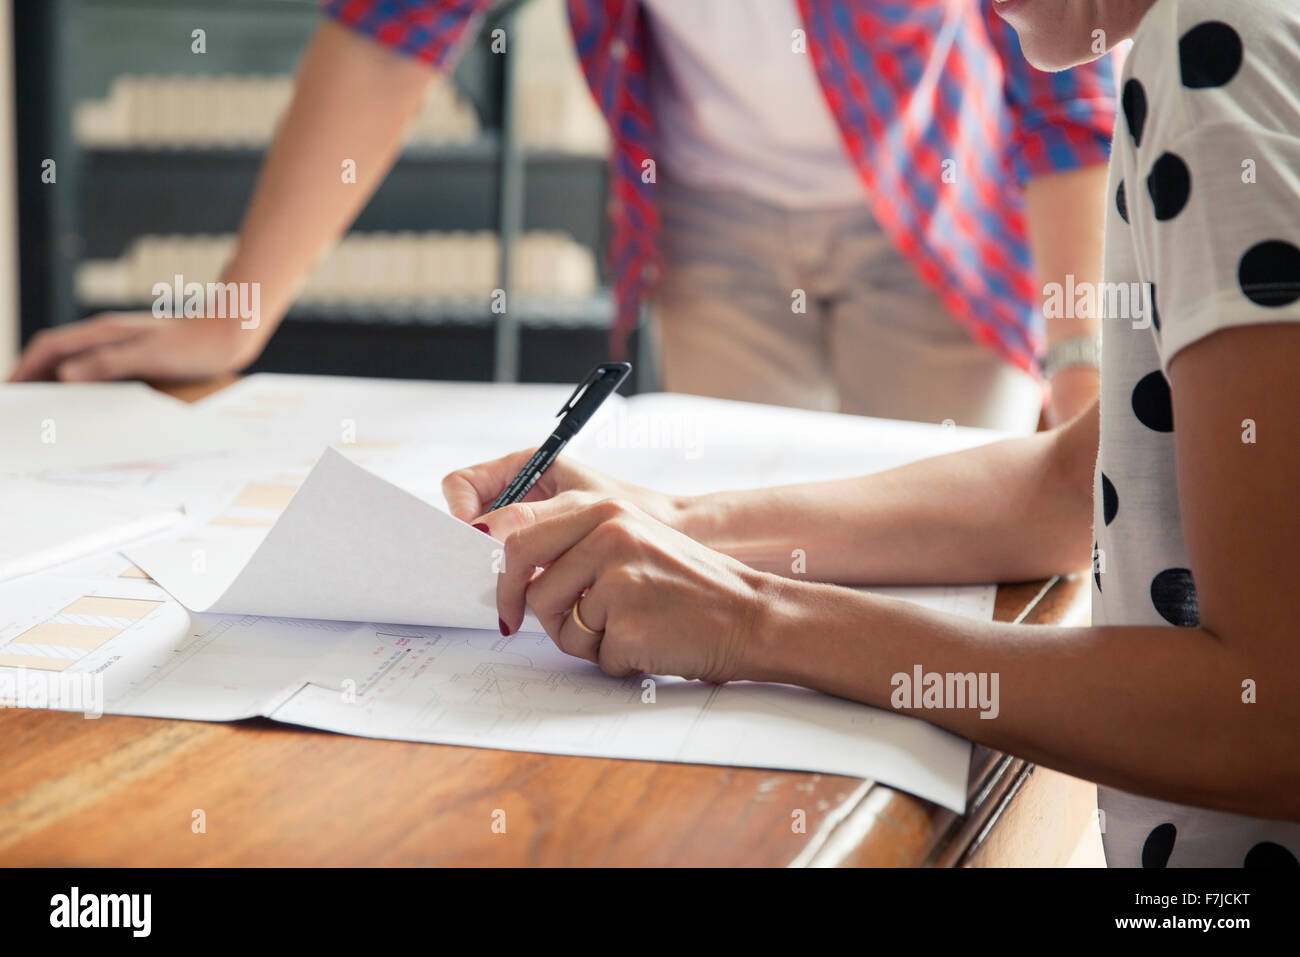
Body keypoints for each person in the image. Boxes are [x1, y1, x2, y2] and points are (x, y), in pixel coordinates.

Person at [441, 0, 1300, 867]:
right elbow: (1075, 485)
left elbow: (1273, 716)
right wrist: (679, 522)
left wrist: (755, 621)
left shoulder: (1214, 54)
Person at [10, 0, 1116, 430]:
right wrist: (236, 310)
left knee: (945, 572)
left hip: (944, 229)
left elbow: (1065, 92)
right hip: (706, 218)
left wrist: (1077, 359)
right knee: (765, 543)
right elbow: (394, 24)